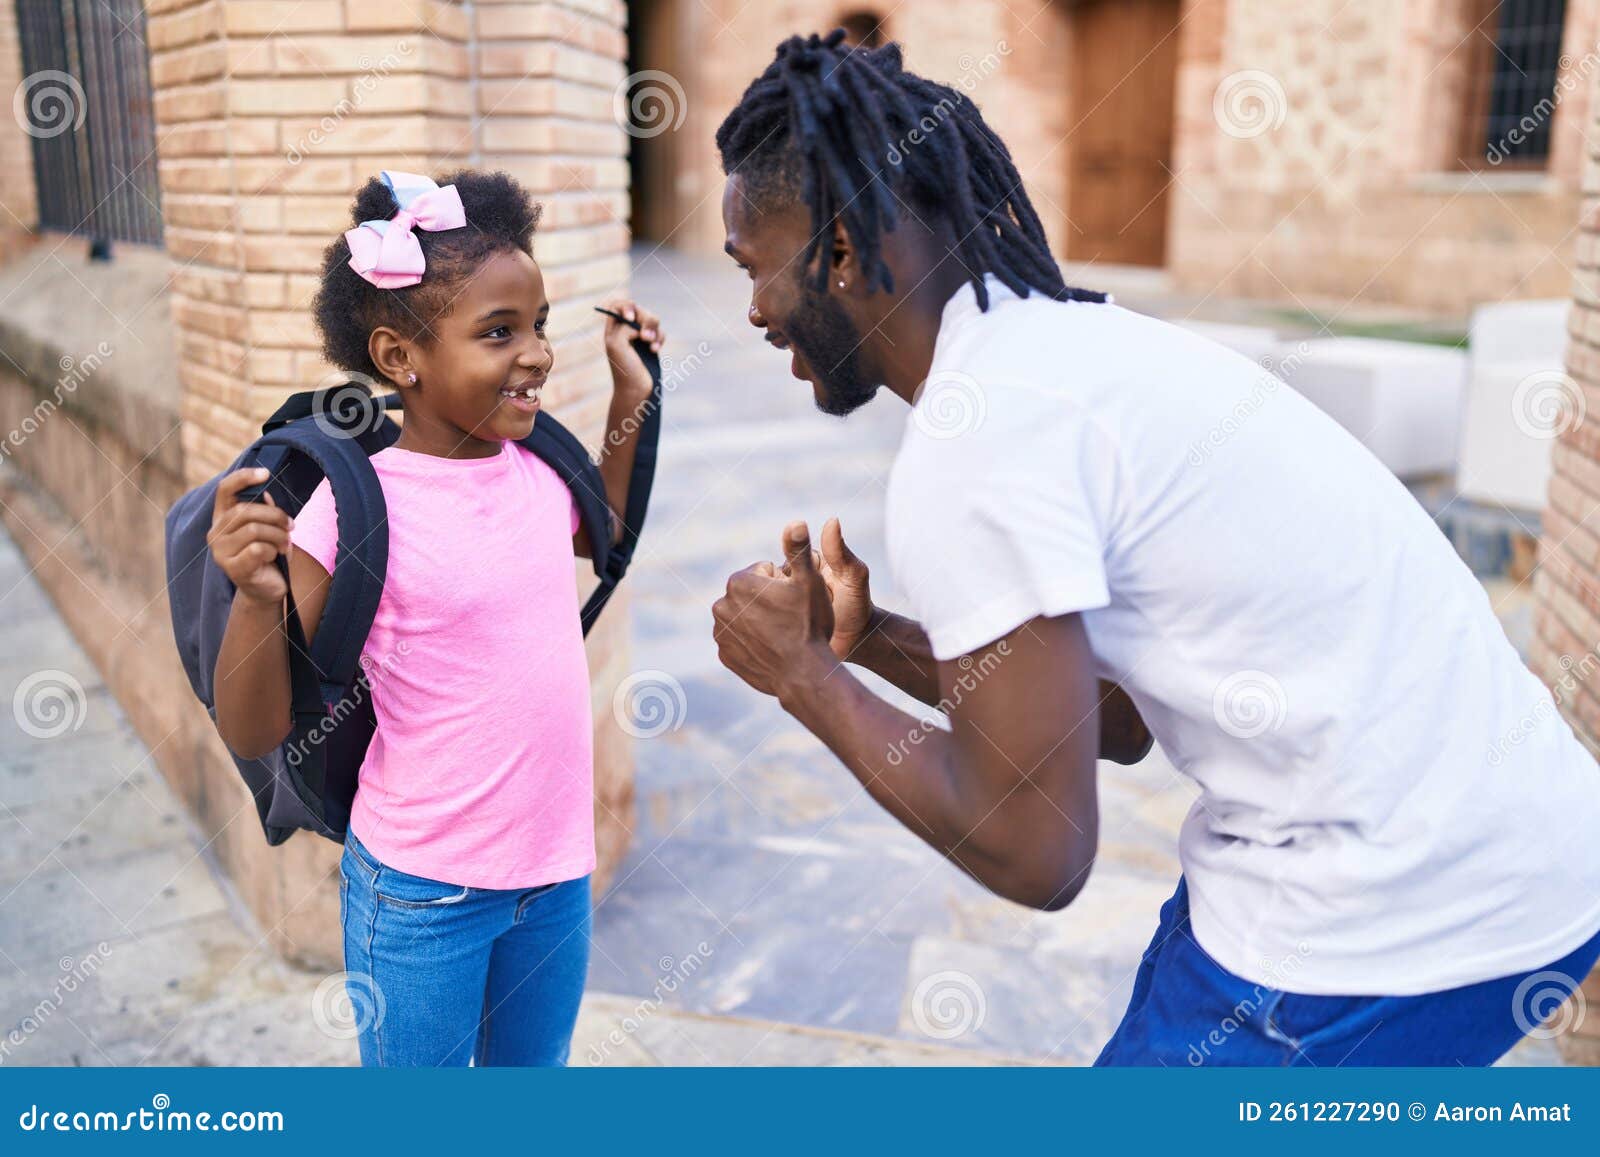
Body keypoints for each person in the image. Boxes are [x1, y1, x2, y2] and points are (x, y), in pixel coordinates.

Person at [708, 30, 1600, 1065]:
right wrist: (866, 640)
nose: (753, 308)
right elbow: (1119, 721)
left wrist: (802, 676)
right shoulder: (1057, 349)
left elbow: (1037, 853)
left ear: (845, 255)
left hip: (1393, 916)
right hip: (1496, 848)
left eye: (753, 265)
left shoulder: (977, 440)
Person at [205, 168, 665, 1066]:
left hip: (557, 874)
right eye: (499, 333)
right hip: (423, 894)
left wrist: (631, 400)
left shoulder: (536, 468)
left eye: (536, 325)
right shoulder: (352, 507)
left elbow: (604, 533)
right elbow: (256, 724)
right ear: (398, 357)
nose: (535, 353)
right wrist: (257, 599)